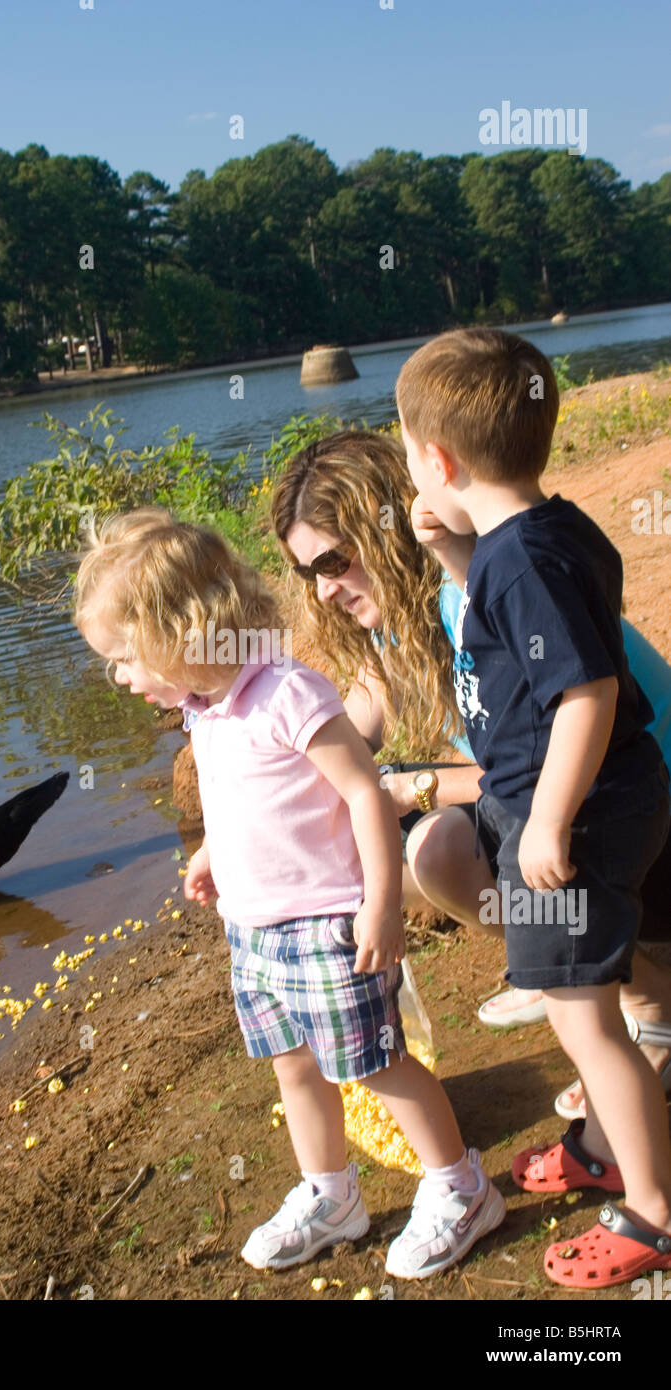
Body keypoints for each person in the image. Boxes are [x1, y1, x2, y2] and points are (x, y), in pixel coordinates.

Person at [73, 506, 504, 1279]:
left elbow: (366, 795)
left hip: (327, 925)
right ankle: (332, 1193)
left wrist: (378, 902)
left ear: (181, 631)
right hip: (255, 932)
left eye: (125, 658)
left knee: (375, 1063)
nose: (120, 677)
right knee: (293, 1067)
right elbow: (253, 798)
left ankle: (460, 1186)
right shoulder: (202, 710)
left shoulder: (286, 694)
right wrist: (212, 851)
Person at [270, 429, 671, 1124]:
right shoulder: (400, 620)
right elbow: (353, 730)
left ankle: (642, 1007)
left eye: (335, 561)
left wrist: (413, 788)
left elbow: (528, 766)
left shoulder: (469, 595)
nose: (326, 589)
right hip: (579, 798)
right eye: (311, 573)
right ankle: (579, 977)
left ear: (385, 531)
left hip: (633, 800)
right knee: (435, 849)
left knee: (439, 848)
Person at [395, 325, 671, 1290]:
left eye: (406, 456)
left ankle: (650, 1213)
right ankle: (604, 1155)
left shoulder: (522, 563)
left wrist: (548, 823)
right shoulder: (539, 536)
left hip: (574, 824)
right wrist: (453, 559)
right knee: (580, 1007)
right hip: (592, 804)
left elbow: (584, 692)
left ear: (439, 459)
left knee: (584, 1020)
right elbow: (521, 642)